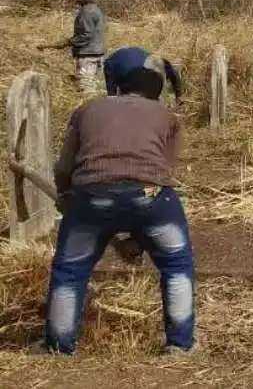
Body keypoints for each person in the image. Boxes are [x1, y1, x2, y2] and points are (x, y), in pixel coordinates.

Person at [42, 68, 194, 355]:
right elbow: (165, 171)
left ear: (118, 89)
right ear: (156, 95)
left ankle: (59, 347)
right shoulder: (167, 117)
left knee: (69, 271)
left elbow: (64, 167)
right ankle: (180, 345)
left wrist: (65, 195)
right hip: (151, 198)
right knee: (176, 267)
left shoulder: (87, 109)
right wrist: (142, 235)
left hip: (91, 197)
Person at [37, 0, 106, 97]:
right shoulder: (96, 9)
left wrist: (68, 42)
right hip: (97, 54)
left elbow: (86, 35)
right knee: (93, 86)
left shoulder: (86, 12)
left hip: (87, 56)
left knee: (86, 90)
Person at [104, 47, 184, 107]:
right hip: (117, 64)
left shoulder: (156, 61)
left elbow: (173, 73)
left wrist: (179, 96)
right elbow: (114, 98)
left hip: (136, 58)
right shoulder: (129, 77)